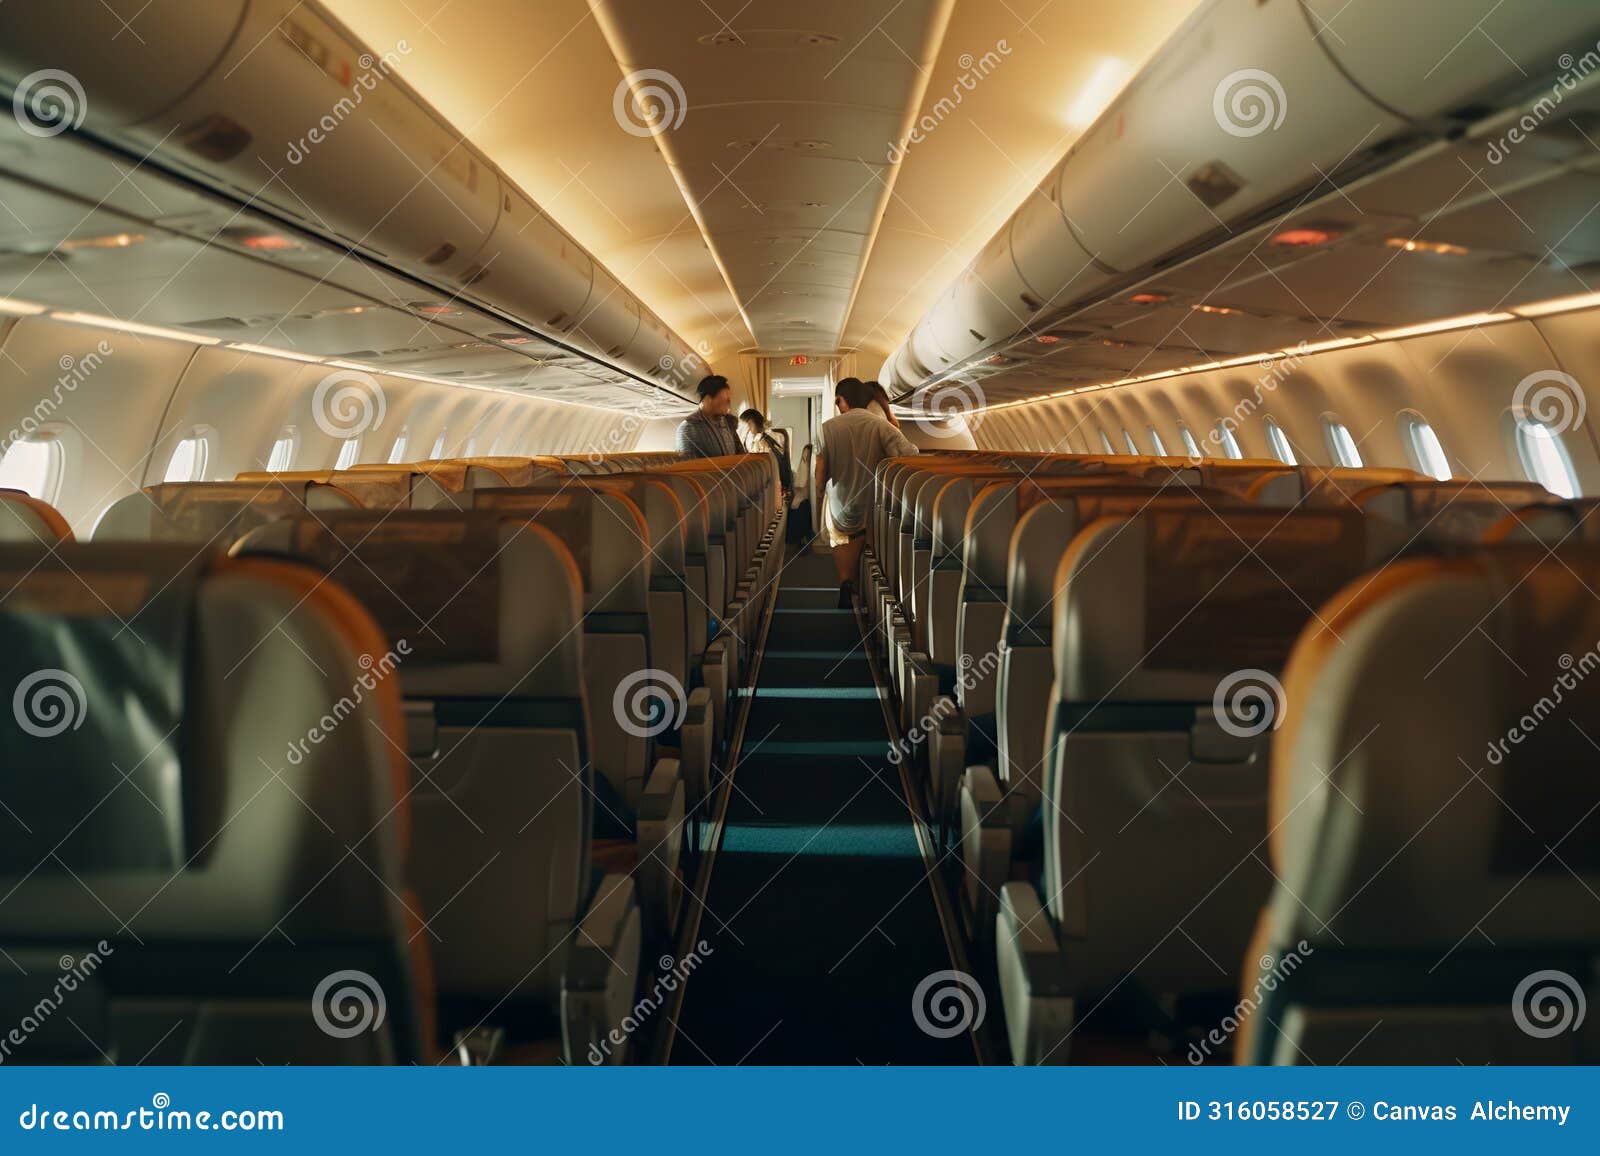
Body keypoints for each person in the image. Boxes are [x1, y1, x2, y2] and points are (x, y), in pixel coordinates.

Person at [816, 377, 919, 608]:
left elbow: (821, 468)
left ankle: (845, 582)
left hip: (840, 500)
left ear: (842, 400)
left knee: (840, 539)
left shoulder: (827, 428)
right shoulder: (880, 425)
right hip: (873, 501)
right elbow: (909, 453)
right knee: (869, 544)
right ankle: (866, 595)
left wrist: (820, 492)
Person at [675, 375, 743, 458]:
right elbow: (689, 467)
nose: (728, 405)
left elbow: (740, 455)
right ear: (708, 399)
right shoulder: (688, 428)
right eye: (726, 401)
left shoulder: (728, 423)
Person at [740, 408, 793, 495]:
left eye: (746, 425)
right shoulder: (777, 437)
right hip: (773, 486)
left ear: (750, 423)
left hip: (768, 487)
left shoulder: (761, 441)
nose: (745, 430)